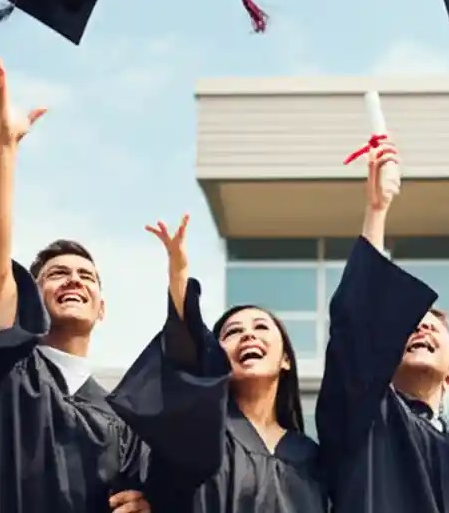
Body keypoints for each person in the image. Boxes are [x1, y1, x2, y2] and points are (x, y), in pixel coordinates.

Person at [0, 58, 150, 513]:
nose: (74, 279)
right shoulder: (1, 368)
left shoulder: (123, 422)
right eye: (57, 274)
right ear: (31, 300)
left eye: (87, 276)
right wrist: (5, 147)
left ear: (102, 308)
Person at [108, 214, 328, 511]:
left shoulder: (309, 456)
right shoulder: (200, 433)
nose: (248, 335)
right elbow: (183, 349)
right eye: (233, 332)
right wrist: (179, 277)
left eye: (261, 327)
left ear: (286, 358)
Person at [314, 140, 449, 511]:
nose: (421, 330)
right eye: (411, 327)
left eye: (432, 328)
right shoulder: (369, 420)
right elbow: (357, 327)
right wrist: (377, 211)